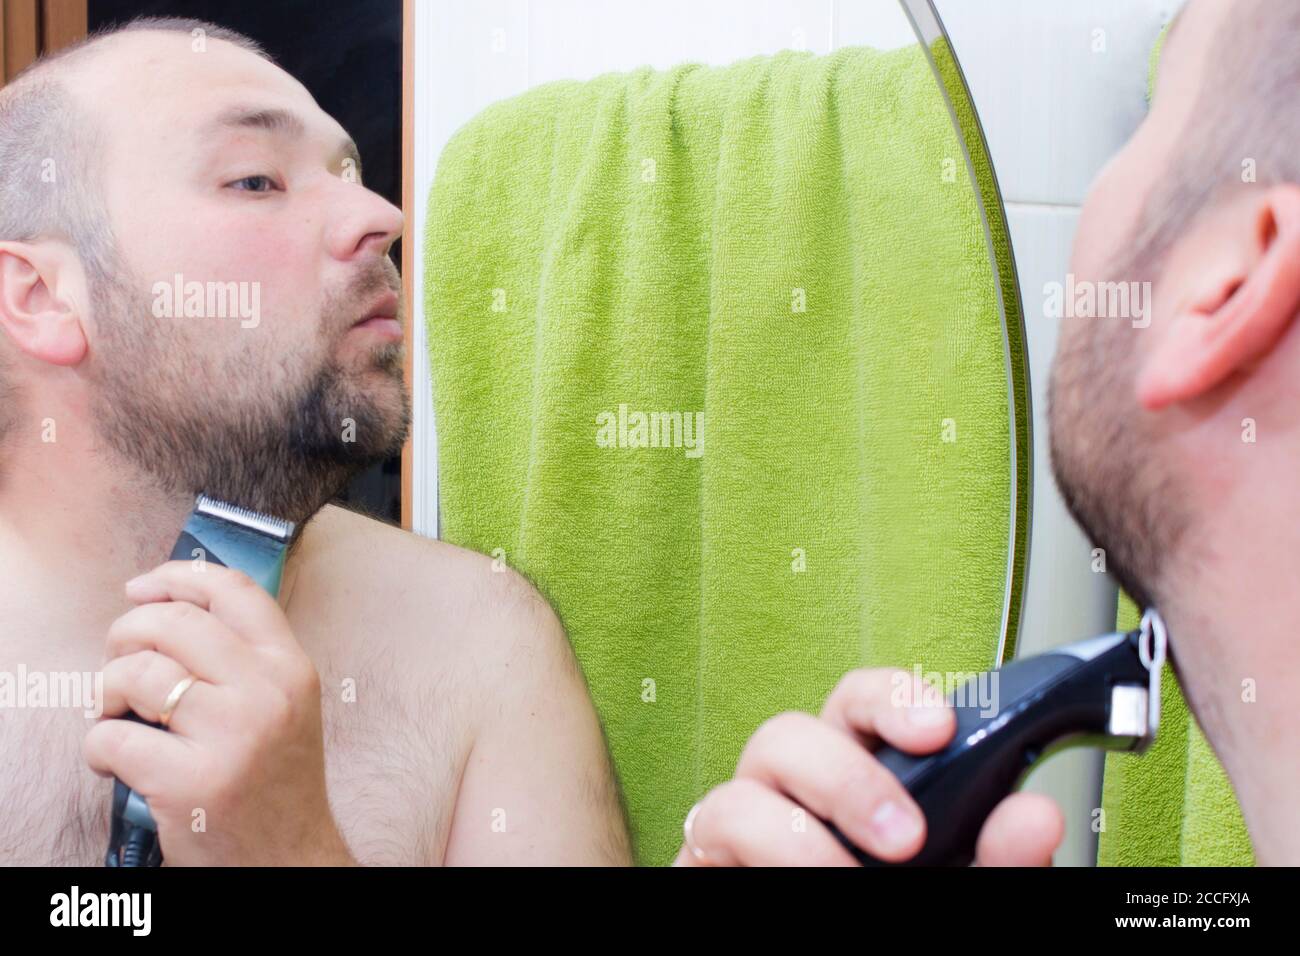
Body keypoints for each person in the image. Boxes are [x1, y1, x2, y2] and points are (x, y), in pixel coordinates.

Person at [0, 18, 630, 865]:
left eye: (354, 175)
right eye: (257, 180)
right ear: (39, 298)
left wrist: (292, 849)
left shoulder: (477, 645)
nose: (382, 216)